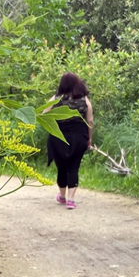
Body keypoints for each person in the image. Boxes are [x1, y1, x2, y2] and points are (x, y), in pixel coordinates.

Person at [46, 72, 93, 210]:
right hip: (79, 136)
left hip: (58, 136)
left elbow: (44, 114)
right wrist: (89, 138)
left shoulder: (55, 99)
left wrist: (54, 123)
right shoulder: (84, 100)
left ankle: (62, 196)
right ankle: (71, 200)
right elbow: (90, 121)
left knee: (61, 167)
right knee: (74, 167)